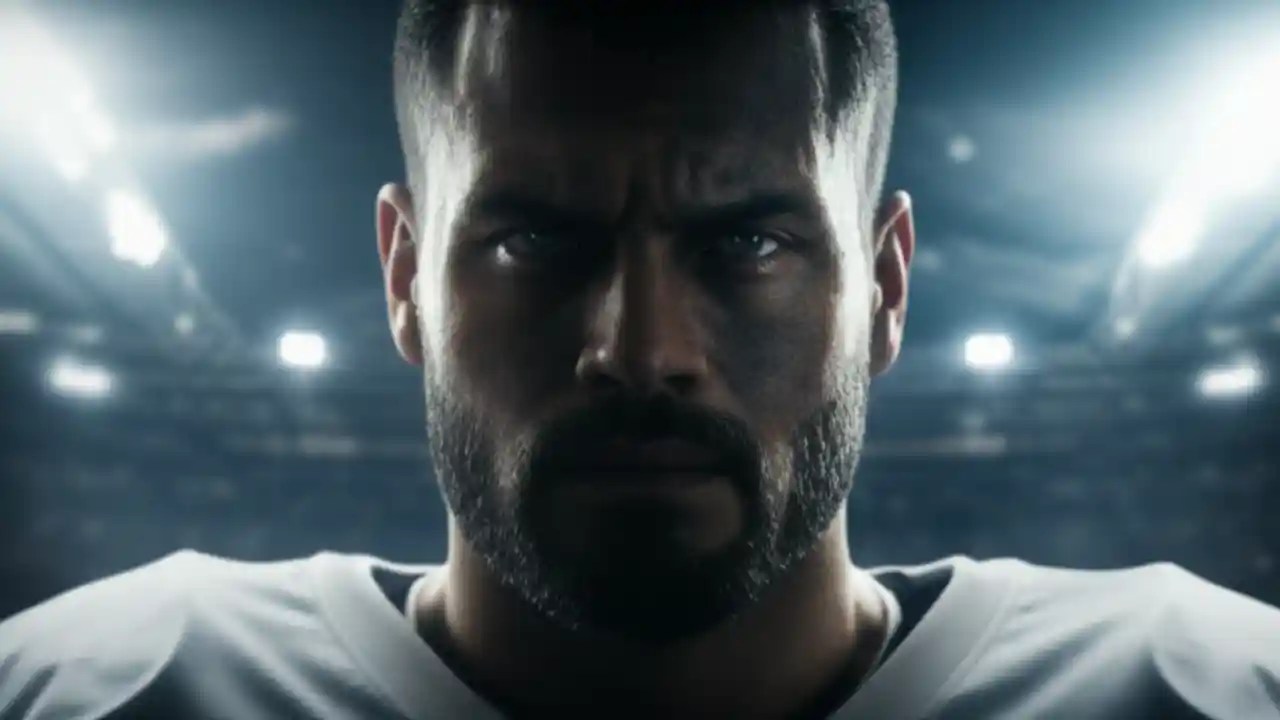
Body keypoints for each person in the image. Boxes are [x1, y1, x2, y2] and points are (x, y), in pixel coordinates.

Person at [2, 1, 1279, 718]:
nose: (639, 350)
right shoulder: (89, 692)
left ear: (884, 289)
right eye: (531, 242)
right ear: (403, 277)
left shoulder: (1212, 691)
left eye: (749, 241)